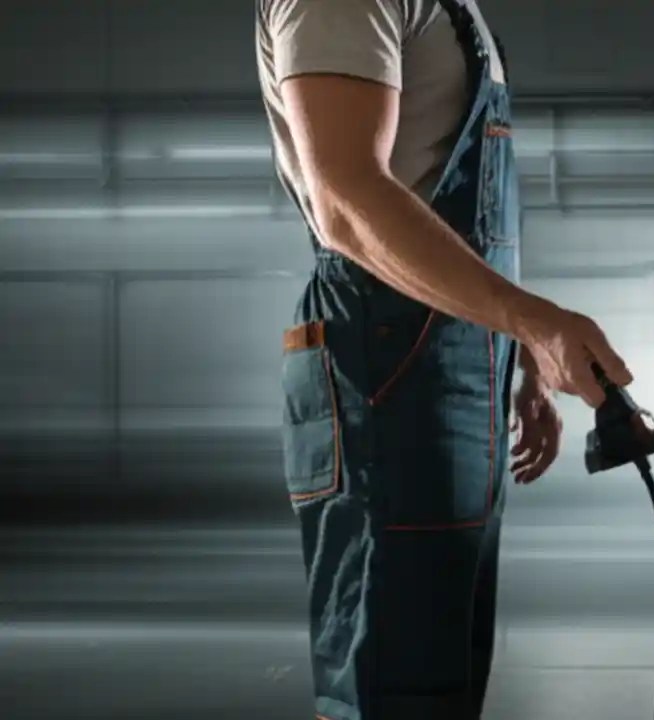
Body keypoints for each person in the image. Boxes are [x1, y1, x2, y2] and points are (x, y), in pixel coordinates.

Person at [255, 1, 634, 718]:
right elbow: (346, 198)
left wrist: (518, 346)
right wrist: (531, 321)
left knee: (441, 669)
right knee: (392, 676)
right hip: (385, 357)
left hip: (458, 358)